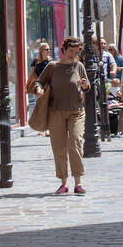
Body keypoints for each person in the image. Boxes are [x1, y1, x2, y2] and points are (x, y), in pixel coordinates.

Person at [35, 36, 90, 194]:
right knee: (59, 148)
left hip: (76, 111)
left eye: (76, 51)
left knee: (75, 143)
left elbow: (87, 86)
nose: (73, 54)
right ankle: (63, 183)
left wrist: (85, 85)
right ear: (63, 50)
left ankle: (78, 182)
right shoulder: (53, 66)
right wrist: (38, 90)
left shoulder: (79, 66)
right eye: (70, 51)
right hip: (56, 111)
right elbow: (39, 81)